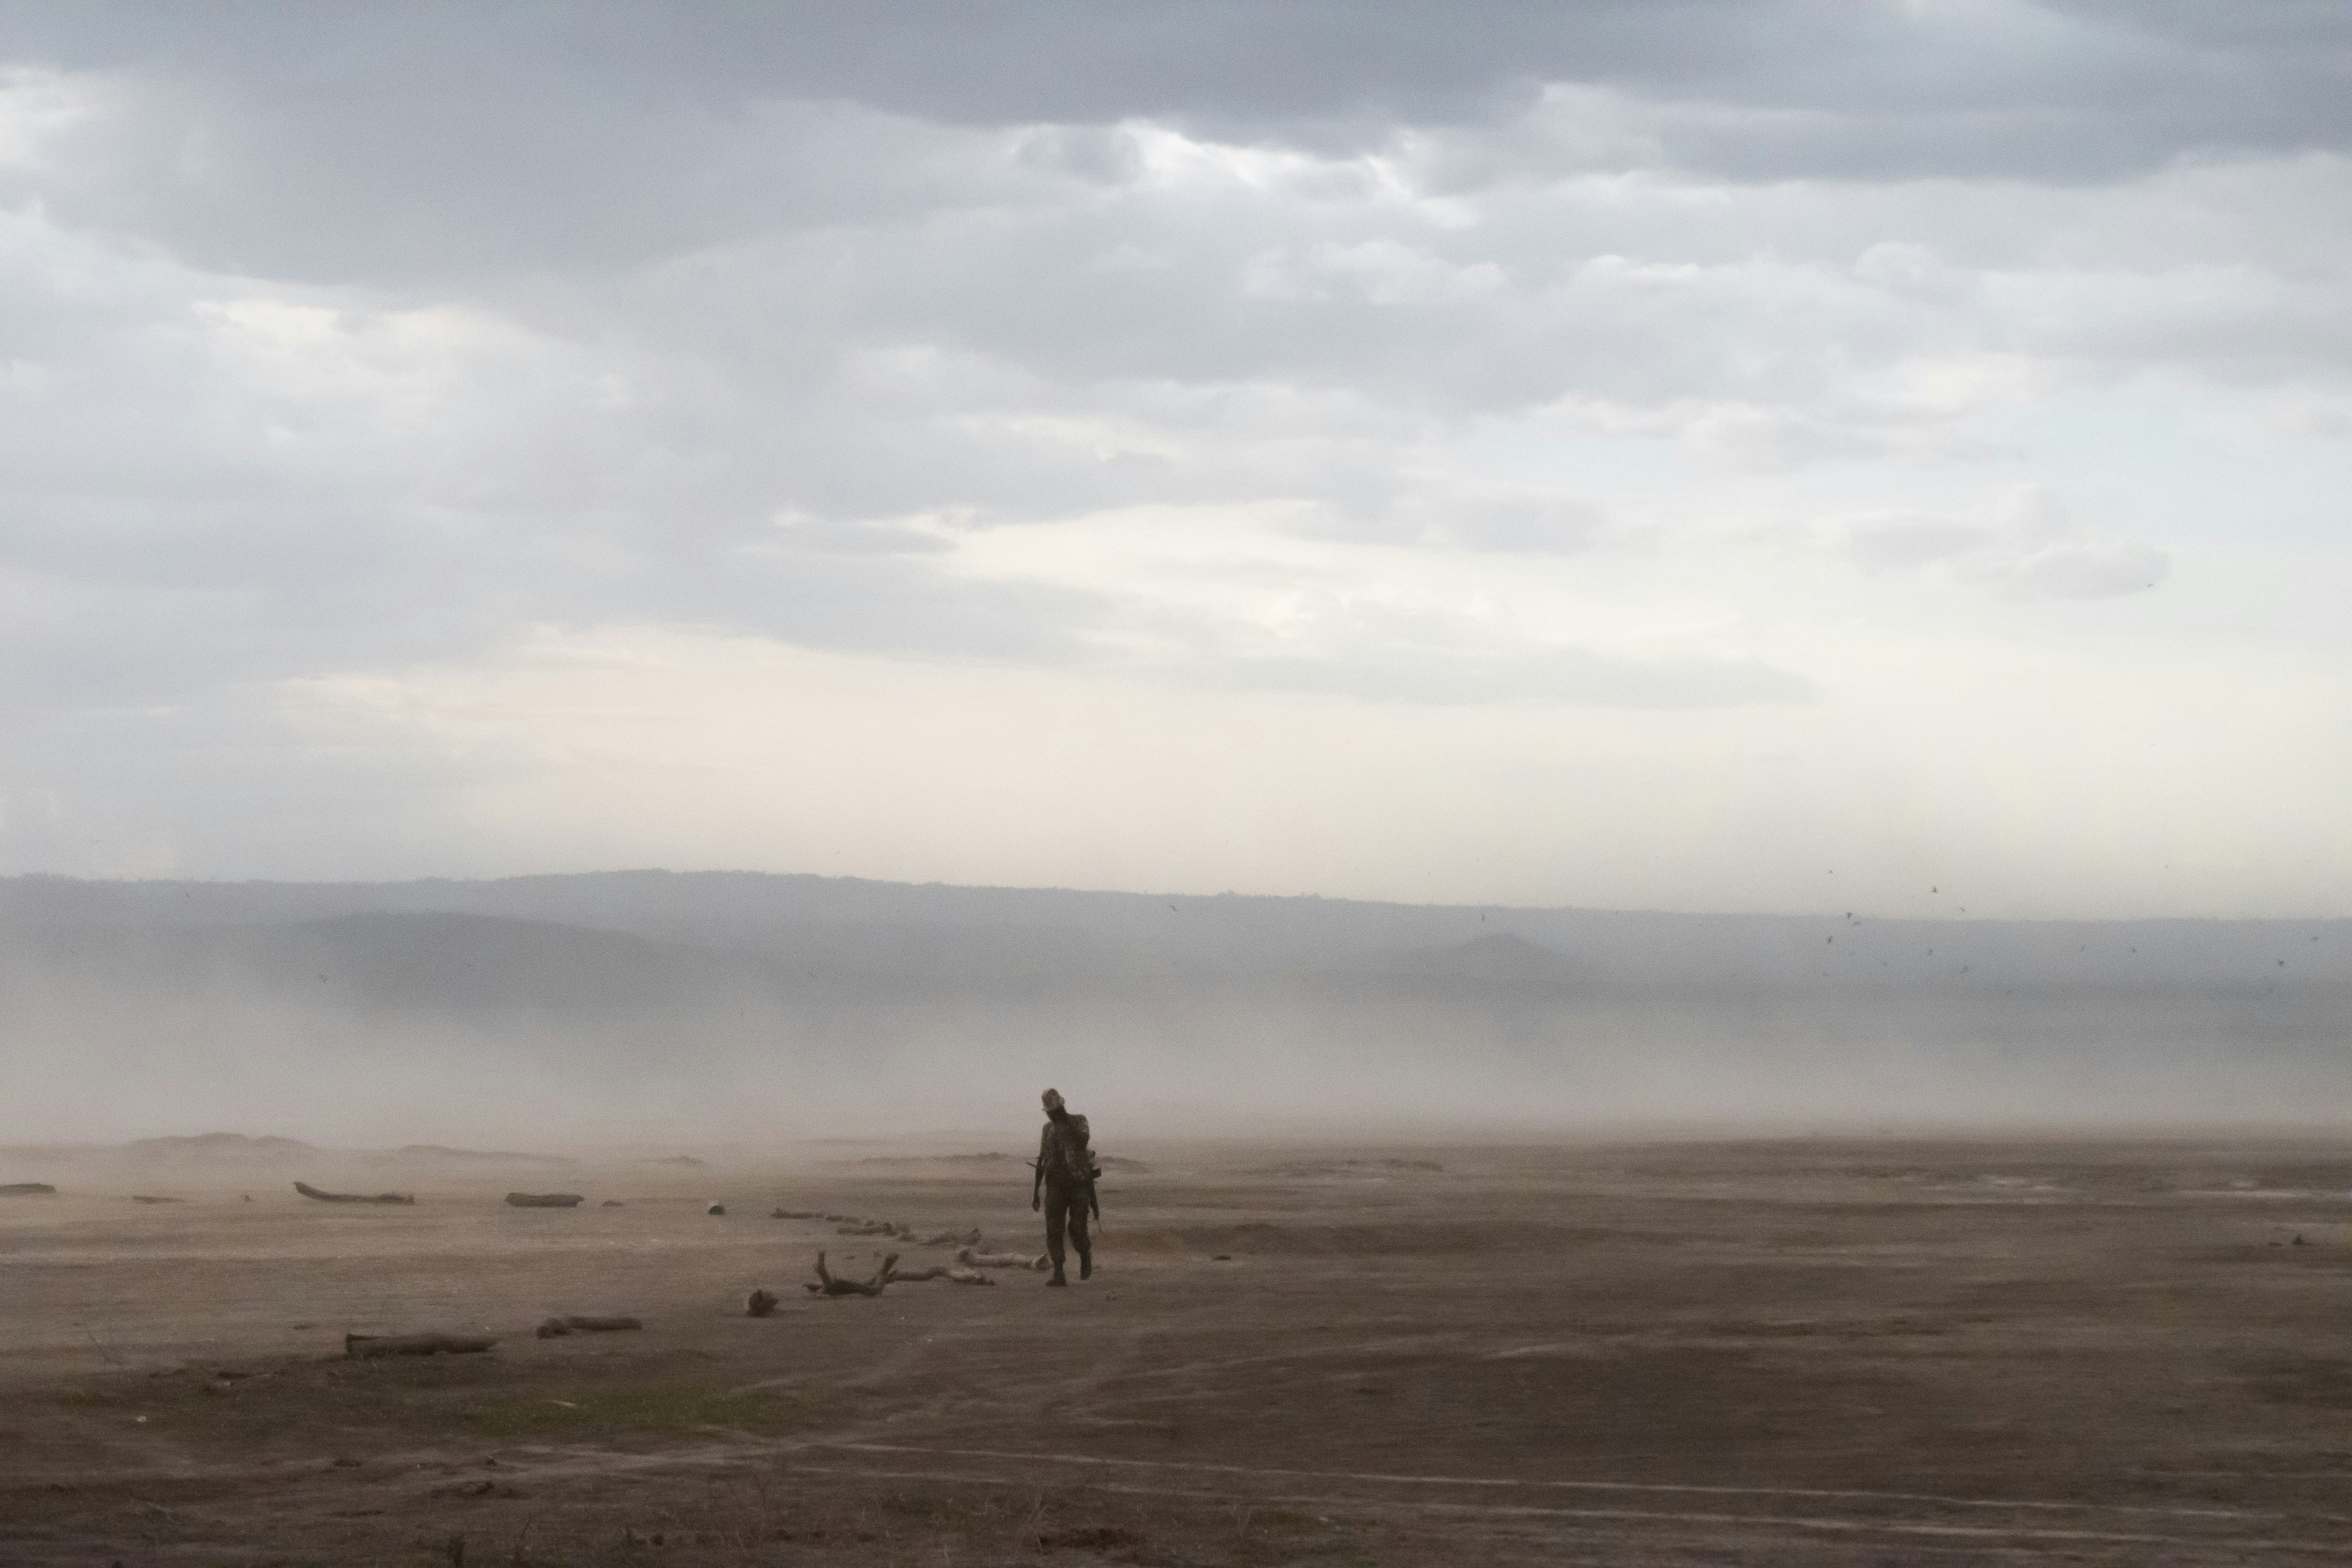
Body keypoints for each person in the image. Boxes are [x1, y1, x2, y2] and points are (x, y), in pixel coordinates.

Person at [1031, 1087, 1097, 1287]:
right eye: (1048, 1111)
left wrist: (1064, 1121)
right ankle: (1059, 1274)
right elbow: (1043, 1159)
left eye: (1053, 1110)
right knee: (1054, 1229)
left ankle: (1085, 1254)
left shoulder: (1079, 1121)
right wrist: (1036, 1192)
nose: (1050, 1114)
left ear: (1061, 1107)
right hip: (1055, 1186)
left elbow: (1083, 1139)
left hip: (1078, 1185)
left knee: (1077, 1228)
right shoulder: (1047, 1129)